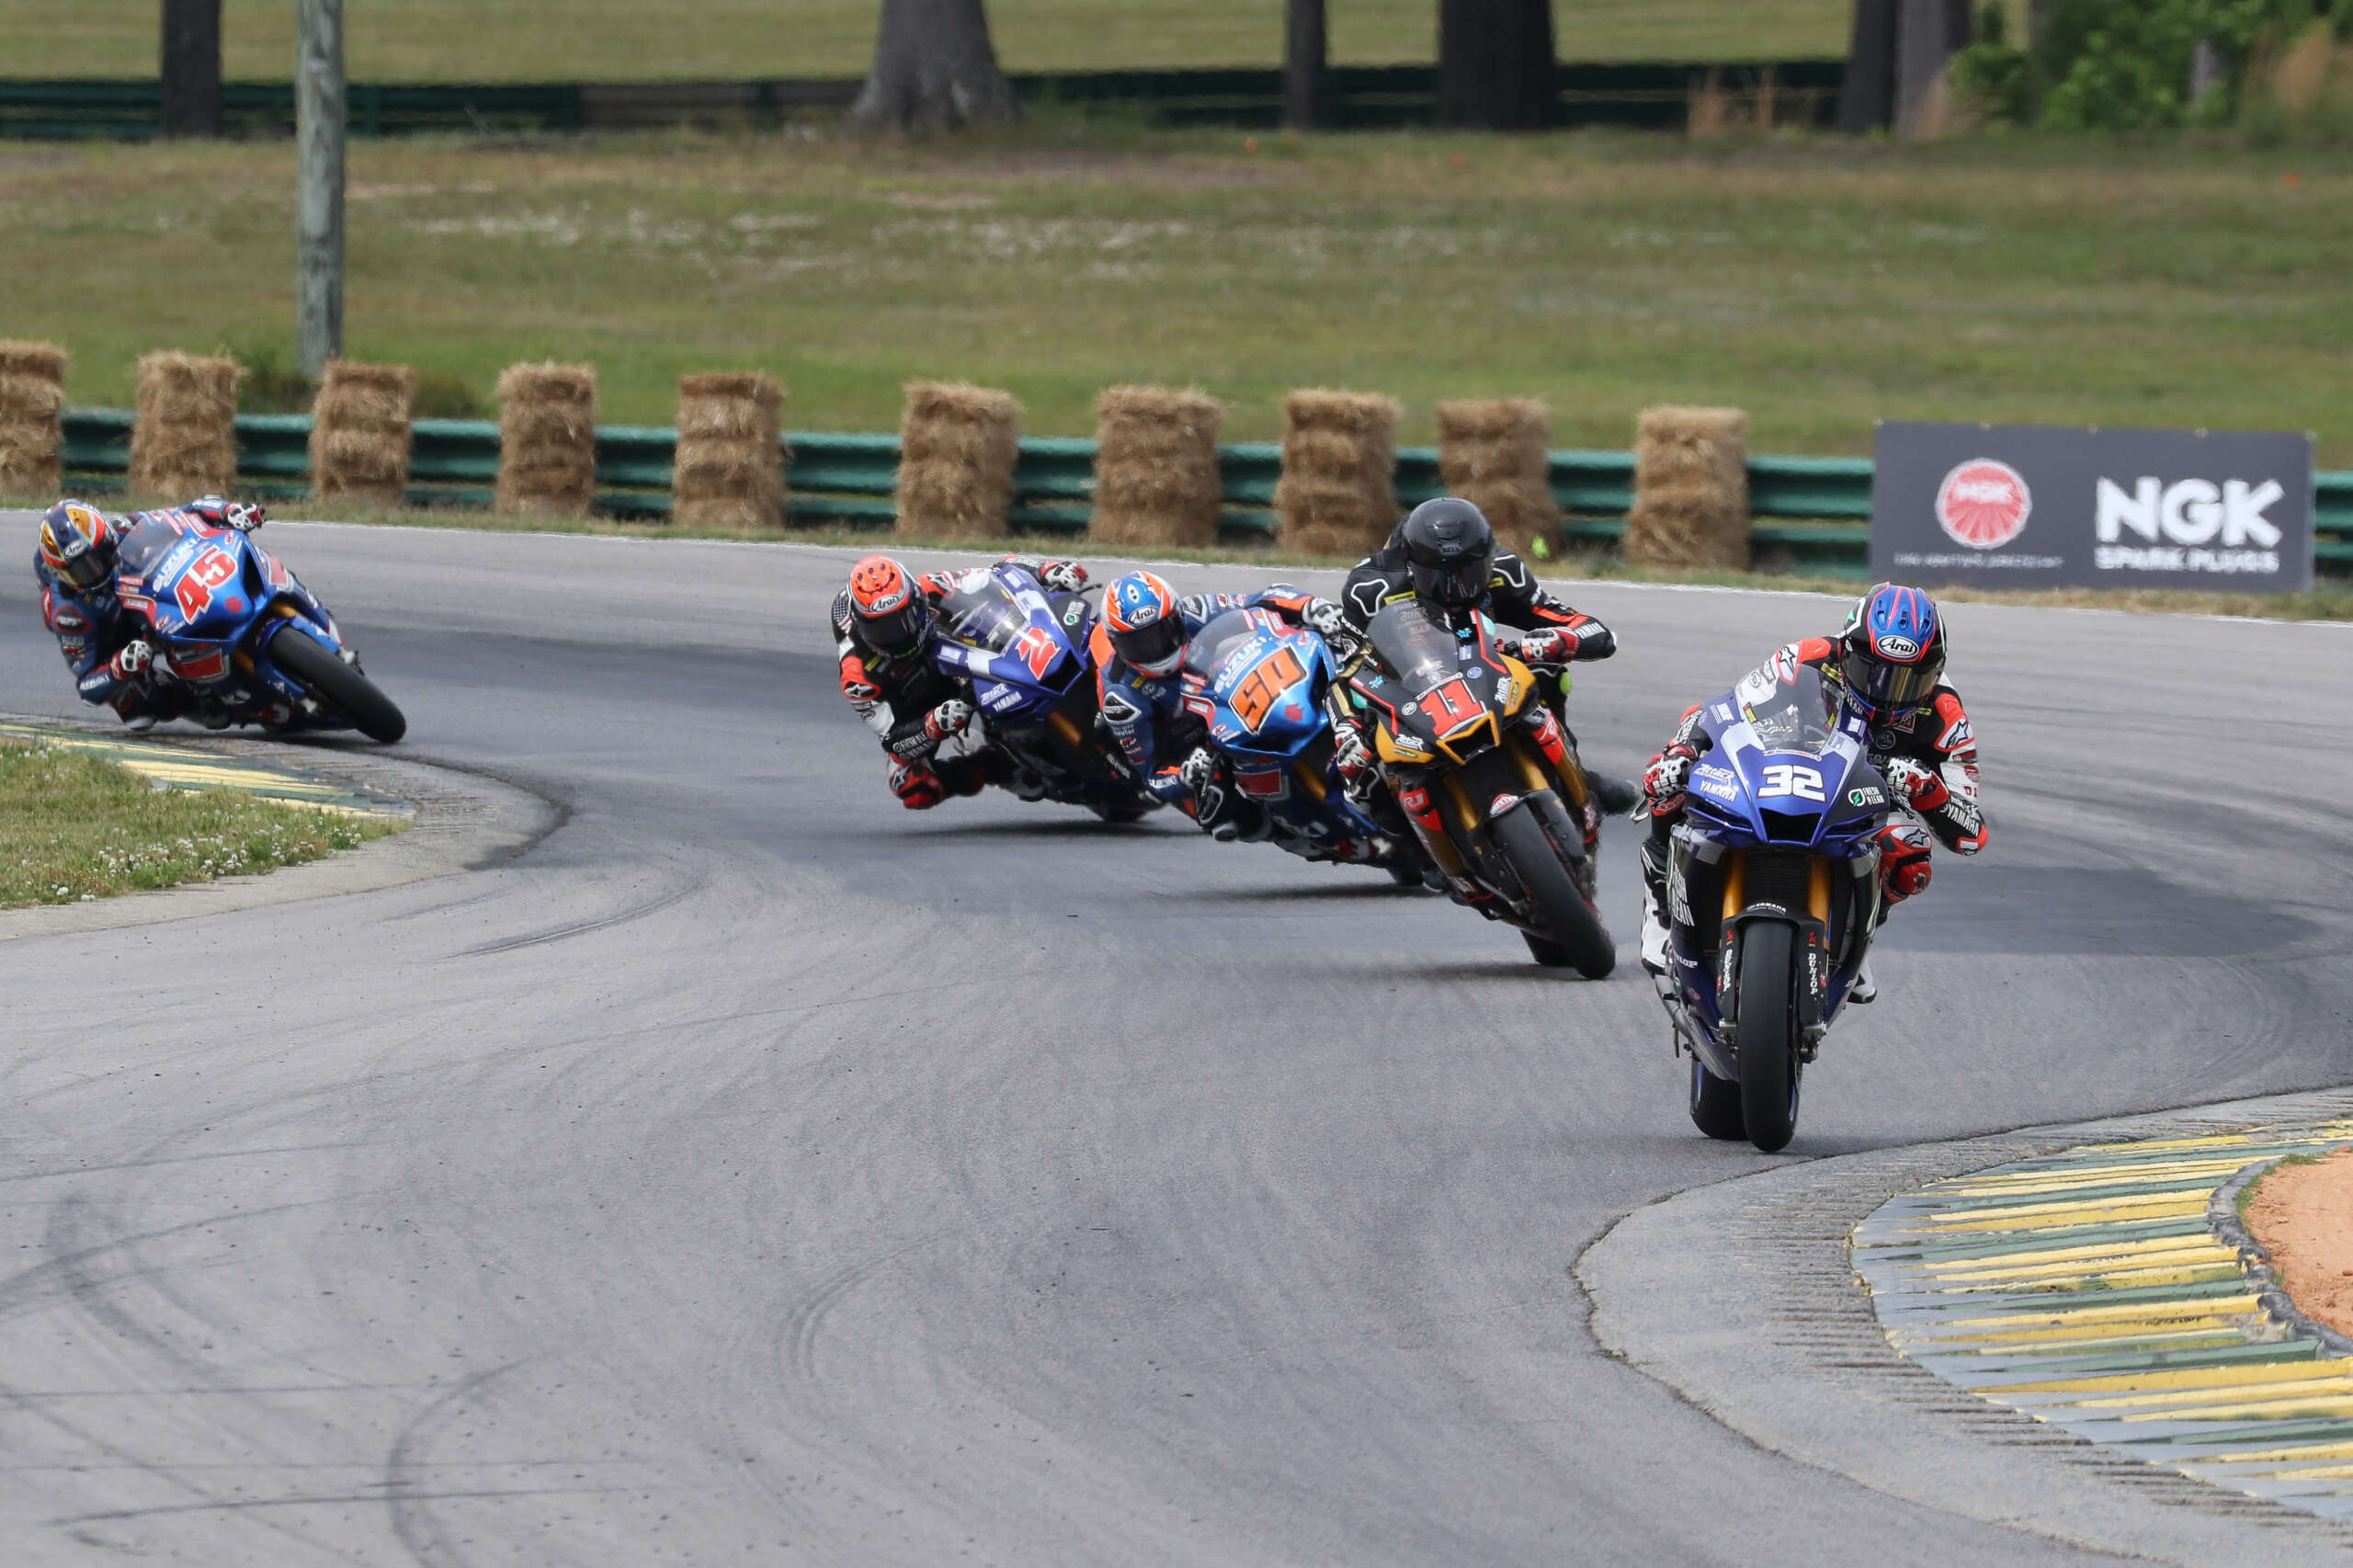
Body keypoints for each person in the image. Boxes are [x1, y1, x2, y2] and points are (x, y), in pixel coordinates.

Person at [1634, 582, 1986, 1000]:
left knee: (1910, 851)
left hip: (1863, 802)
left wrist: (1927, 791)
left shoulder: (1947, 714)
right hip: (1783, 768)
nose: (1885, 692)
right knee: (1672, 779)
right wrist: (1683, 751)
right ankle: (1660, 904)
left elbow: (1971, 832)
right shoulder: (1805, 657)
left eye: (1908, 682)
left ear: (1934, 673)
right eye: (1872, 671)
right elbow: (1720, 710)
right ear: (1848, 650)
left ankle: (1858, 926)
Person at [1327, 496, 1630, 812]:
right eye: (1441, 578)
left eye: (1471, 571)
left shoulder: (1504, 571)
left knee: (1549, 672)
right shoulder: (1373, 589)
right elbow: (1349, 671)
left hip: (1481, 664)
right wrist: (1348, 730)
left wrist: (1560, 640)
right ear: (1412, 569)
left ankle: (1576, 775)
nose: (1459, 588)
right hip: (1407, 683)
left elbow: (1592, 630)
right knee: (1365, 785)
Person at [1092, 569, 1354, 839]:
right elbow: (1152, 775)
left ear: (1177, 616)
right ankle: (1290, 837)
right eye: (1138, 643)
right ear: (1116, 644)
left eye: (1161, 632)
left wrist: (1309, 607)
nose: (1155, 648)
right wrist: (1183, 774)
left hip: (1229, 702)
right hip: (1188, 746)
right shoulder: (1121, 697)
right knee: (1227, 816)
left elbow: (1265, 597)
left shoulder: (1196, 610)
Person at [830, 551, 1089, 810]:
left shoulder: (931, 586)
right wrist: (932, 726)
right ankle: (995, 766)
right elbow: (893, 741)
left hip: (958, 658)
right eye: (881, 630)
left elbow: (998, 571)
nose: (897, 636)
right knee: (911, 786)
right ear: (860, 624)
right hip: (922, 706)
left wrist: (1047, 570)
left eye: (903, 620)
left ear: (916, 599)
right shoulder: (858, 677)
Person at [34, 495, 267, 733]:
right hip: (120, 639)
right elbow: (87, 686)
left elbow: (184, 514)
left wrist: (228, 511)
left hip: (152, 598)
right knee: (138, 712)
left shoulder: (124, 528)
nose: (97, 570)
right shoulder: (69, 614)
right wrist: (119, 666)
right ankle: (194, 701)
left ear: (107, 536)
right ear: (62, 574)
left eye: (100, 555)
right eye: (81, 570)